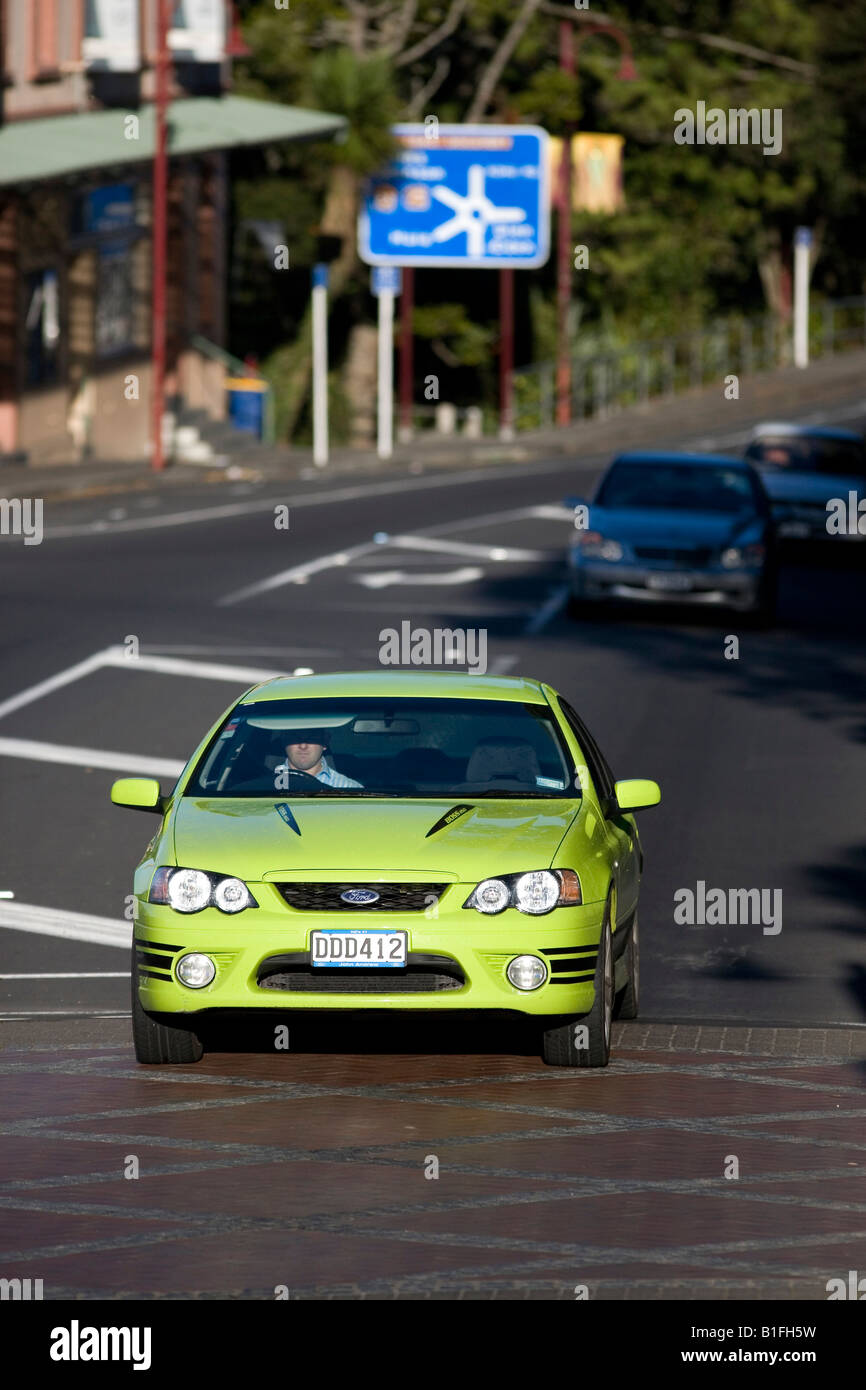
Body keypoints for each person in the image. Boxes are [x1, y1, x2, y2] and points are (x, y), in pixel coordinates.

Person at [274, 732, 362, 789]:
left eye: (312, 738)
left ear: (325, 743)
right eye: (295, 737)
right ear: (284, 741)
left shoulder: (350, 788)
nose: (303, 746)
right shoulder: (267, 786)